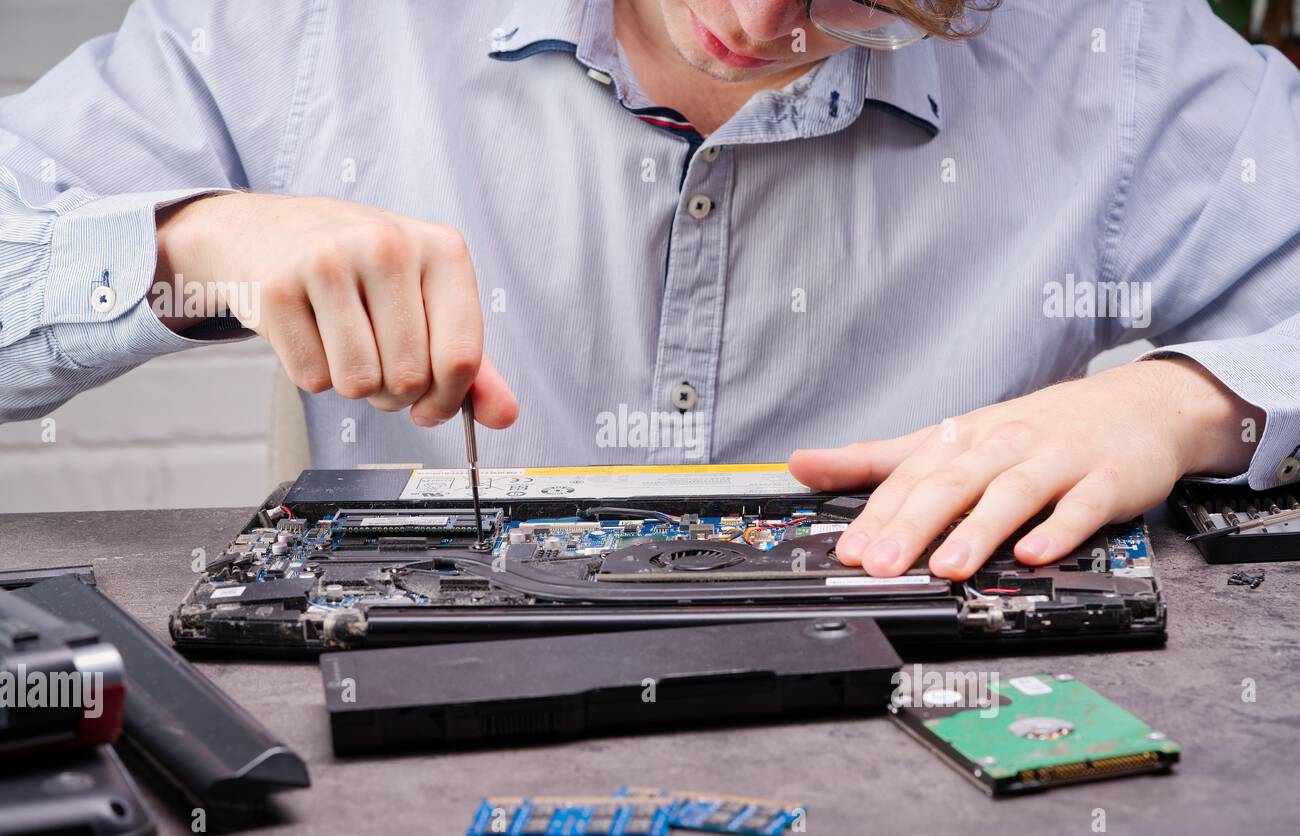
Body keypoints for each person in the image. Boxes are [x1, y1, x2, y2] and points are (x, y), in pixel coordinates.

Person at [1, 0, 1298, 581]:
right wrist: (196, 243)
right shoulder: (326, 24)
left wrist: (1185, 408)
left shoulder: (1106, 45)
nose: (752, 16)